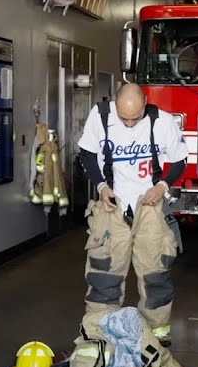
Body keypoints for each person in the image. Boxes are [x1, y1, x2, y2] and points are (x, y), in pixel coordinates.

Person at [77, 83, 187, 343]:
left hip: (149, 203)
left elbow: (180, 159)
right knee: (104, 270)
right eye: (123, 118)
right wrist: (102, 187)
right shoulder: (100, 116)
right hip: (111, 203)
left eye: (134, 118)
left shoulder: (163, 121)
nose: (128, 123)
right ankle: (100, 329)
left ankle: (156, 330)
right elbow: (87, 154)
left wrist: (162, 186)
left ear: (145, 103)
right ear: (115, 103)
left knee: (155, 271)